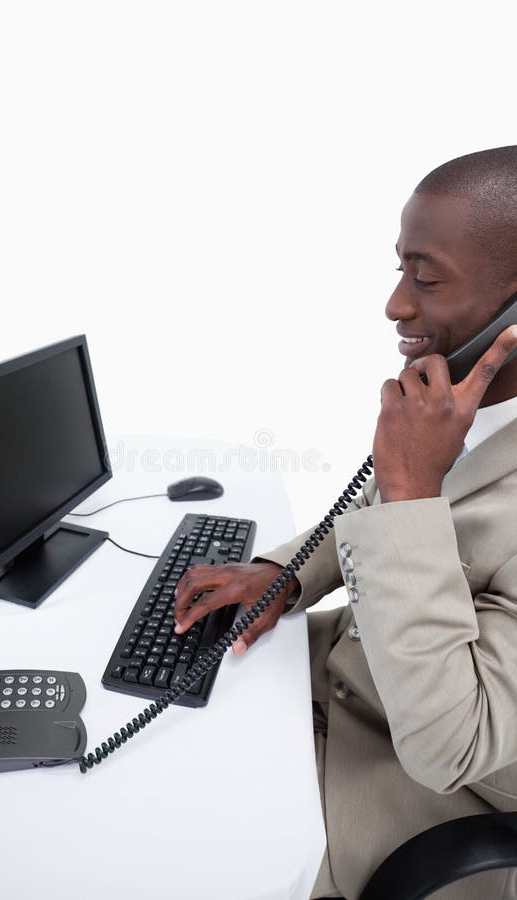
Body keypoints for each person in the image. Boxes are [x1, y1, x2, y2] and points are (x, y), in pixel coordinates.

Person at [173, 146, 517, 900]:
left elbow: (451, 745)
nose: (396, 303)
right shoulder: (466, 408)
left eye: (425, 277)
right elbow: (370, 521)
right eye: (401, 270)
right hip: (335, 687)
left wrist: (411, 488)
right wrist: (285, 575)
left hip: (411, 791)